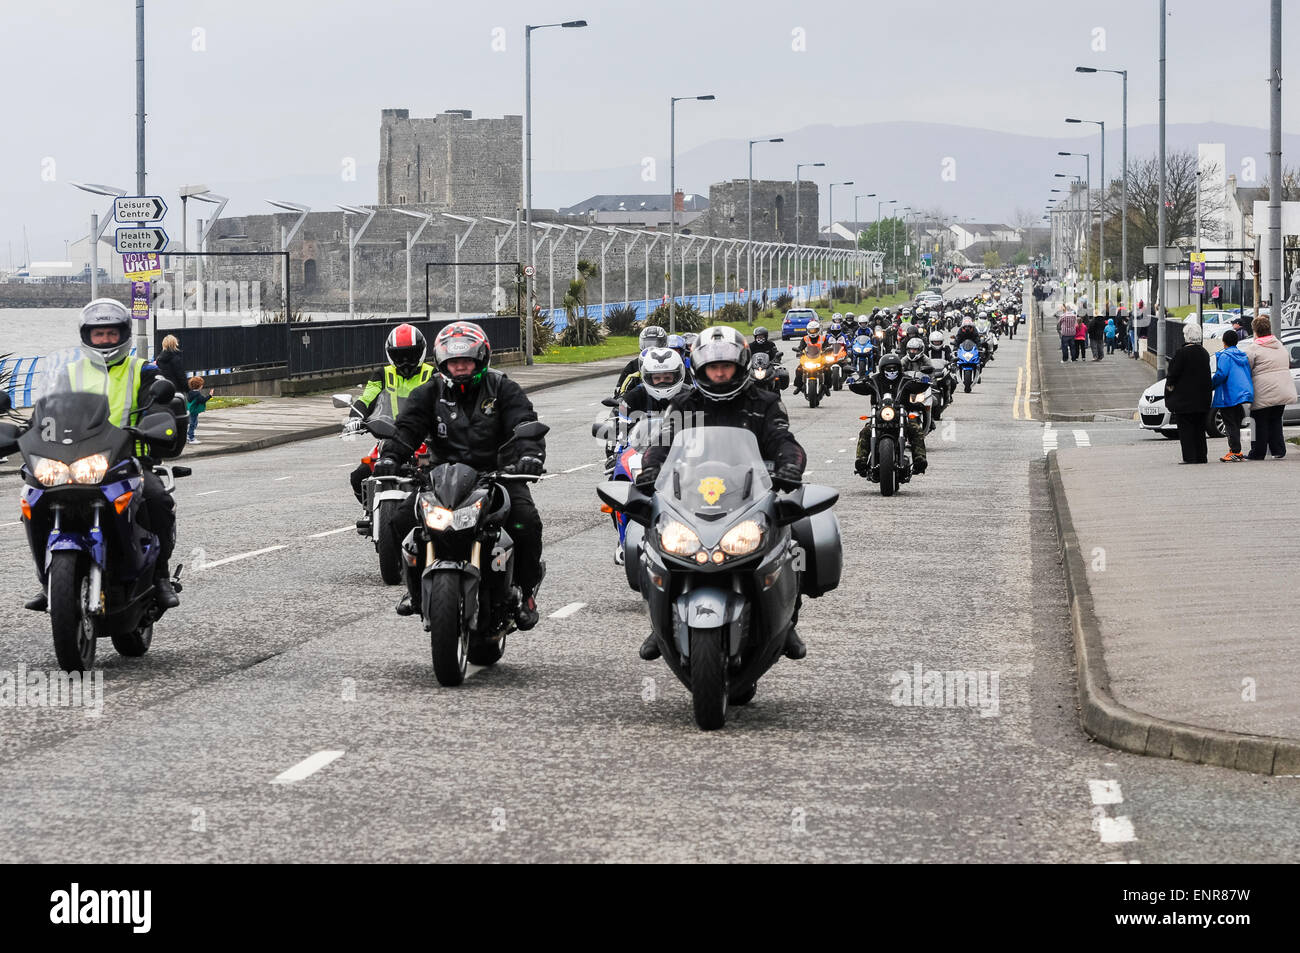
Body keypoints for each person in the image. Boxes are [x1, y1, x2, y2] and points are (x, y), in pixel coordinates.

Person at [636, 325, 808, 661]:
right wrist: (651, 470)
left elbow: (784, 441)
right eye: (711, 368)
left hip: (749, 492)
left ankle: (788, 620)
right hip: (691, 493)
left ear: (740, 367)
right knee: (648, 540)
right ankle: (658, 623)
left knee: (799, 537)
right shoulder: (684, 403)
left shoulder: (764, 402)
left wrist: (790, 467)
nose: (718, 373)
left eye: (725, 366)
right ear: (699, 370)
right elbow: (662, 445)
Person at [376, 322, 547, 628]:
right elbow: (407, 429)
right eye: (454, 362)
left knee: (526, 523)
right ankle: (414, 592)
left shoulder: (502, 388)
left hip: (497, 475)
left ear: (480, 360)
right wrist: (390, 457)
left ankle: (525, 591)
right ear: (443, 364)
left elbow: (524, 422)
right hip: (443, 477)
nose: (461, 368)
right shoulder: (429, 392)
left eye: (467, 361)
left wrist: (530, 456)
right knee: (401, 520)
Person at [26, 299, 180, 611]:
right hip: (74, 459)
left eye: (111, 333)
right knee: (33, 498)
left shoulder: (143, 371)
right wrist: (27, 432)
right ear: (87, 336)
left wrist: (157, 422)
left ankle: (160, 576)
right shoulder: (68, 373)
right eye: (99, 334)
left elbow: (163, 402)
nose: (105, 339)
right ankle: (49, 580)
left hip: (129, 461)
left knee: (158, 499)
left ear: (123, 334)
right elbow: (45, 412)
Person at [346, 324, 435, 505]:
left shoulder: (432, 373)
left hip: (425, 439)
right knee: (359, 476)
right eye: (399, 356)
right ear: (390, 355)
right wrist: (355, 417)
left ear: (421, 352)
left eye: (411, 355)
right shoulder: (382, 374)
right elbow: (367, 398)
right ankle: (371, 513)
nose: (405, 361)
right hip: (389, 436)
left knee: (434, 475)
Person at [849, 352, 929, 474]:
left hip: (901, 416)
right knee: (866, 431)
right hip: (879, 416)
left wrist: (923, 382)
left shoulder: (905, 380)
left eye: (894, 368)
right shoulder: (875, 380)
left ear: (899, 368)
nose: (891, 371)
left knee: (915, 429)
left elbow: (917, 387)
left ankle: (919, 459)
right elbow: (863, 388)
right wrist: (853, 383)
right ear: (882, 369)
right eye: (888, 369)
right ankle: (861, 461)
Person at [1242, 315, 1298, 460]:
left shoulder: (1253, 348)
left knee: (1258, 422)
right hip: (1282, 389)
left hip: (1263, 391)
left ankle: (1257, 452)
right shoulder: (1279, 345)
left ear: (1255, 331)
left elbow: (1246, 367)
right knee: (1275, 420)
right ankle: (1278, 450)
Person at [1163, 321, 1211, 464]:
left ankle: (1190, 456)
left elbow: (1172, 374)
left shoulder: (1181, 353)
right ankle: (1201, 456)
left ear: (1186, 336)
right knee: (1199, 429)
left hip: (1184, 400)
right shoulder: (1204, 353)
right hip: (1202, 399)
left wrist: (1170, 387)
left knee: (1186, 430)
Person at [1209, 329, 1253, 462]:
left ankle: (1235, 451)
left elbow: (1221, 374)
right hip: (1240, 394)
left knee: (1229, 423)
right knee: (1235, 422)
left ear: (1224, 342)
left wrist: (1210, 384)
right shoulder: (1242, 355)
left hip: (1227, 395)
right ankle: (1235, 450)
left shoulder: (1225, 356)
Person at [615, 325, 668, 394]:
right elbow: (621, 389)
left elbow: (684, 385)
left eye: (656, 343)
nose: (652, 347)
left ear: (664, 343)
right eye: (647, 343)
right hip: (641, 401)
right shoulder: (633, 365)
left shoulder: (673, 362)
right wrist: (620, 398)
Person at [792, 319, 829, 394]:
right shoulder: (805, 338)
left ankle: (826, 387)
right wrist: (799, 351)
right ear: (808, 330)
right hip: (808, 358)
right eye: (811, 330)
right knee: (799, 369)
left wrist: (827, 350)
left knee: (828, 369)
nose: (813, 332)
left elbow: (827, 347)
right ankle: (799, 386)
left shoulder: (823, 338)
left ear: (818, 330)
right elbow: (801, 347)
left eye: (814, 330)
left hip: (820, 358)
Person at [185, 375, 213, 444]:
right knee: (193, 424)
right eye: (202, 384)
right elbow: (202, 400)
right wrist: (210, 396)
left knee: (193, 423)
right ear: (199, 386)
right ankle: (191, 438)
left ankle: (188, 435)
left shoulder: (190, 392)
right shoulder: (197, 394)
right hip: (194, 411)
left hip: (190, 410)